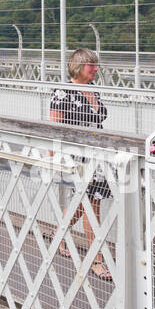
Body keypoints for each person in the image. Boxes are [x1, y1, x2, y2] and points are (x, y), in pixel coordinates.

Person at [50, 47, 111, 280]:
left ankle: (57, 237)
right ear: (78, 67)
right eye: (91, 65)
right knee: (92, 204)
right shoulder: (63, 91)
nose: (95, 69)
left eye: (96, 65)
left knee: (82, 202)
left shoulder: (93, 88)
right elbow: (54, 125)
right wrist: (54, 155)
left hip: (99, 155)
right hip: (79, 157)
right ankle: (96, 260)